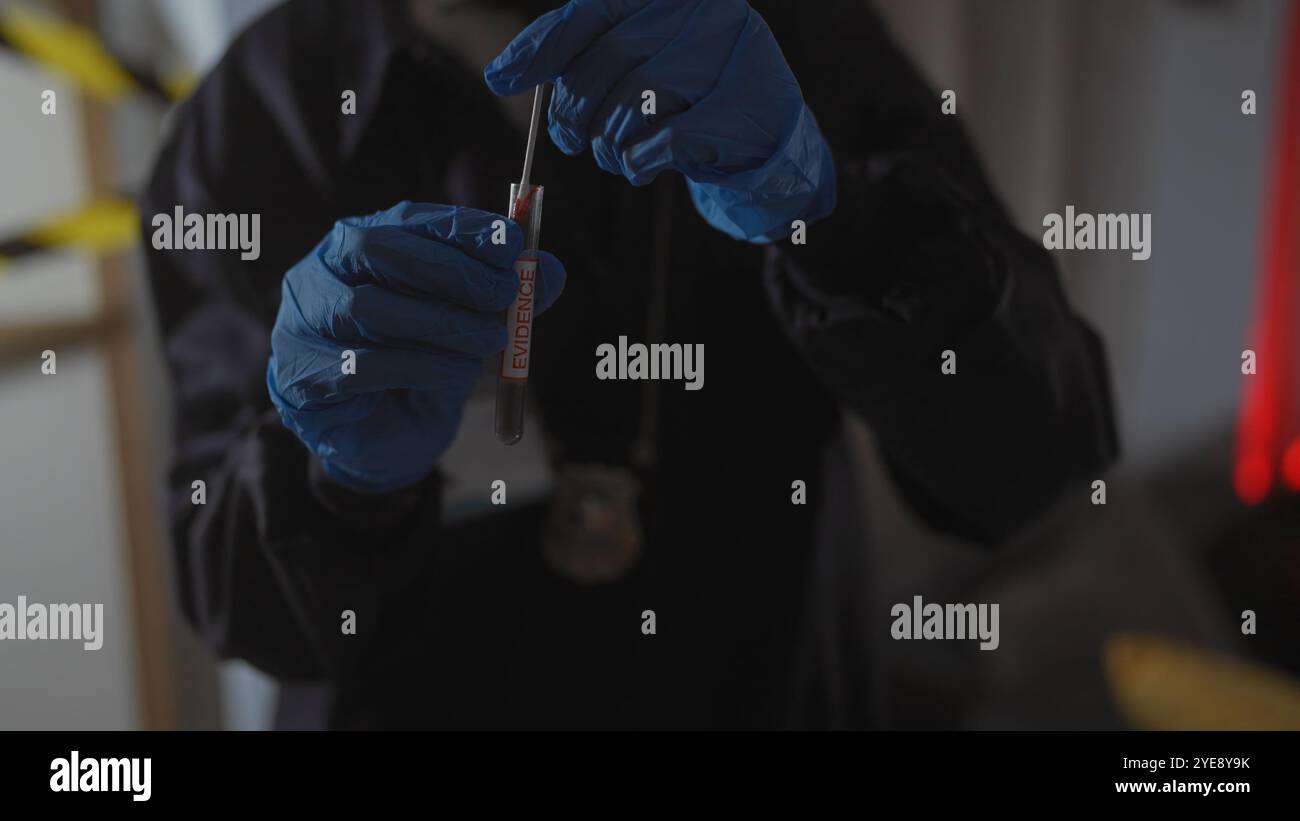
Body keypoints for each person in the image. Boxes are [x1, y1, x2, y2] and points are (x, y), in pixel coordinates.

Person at [141, 0, 1118, 729]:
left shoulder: (787, 37)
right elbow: (238, 604)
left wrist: (831, 215)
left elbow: (1034, 462)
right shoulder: (257, 116)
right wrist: (335, 477)